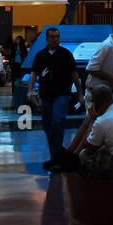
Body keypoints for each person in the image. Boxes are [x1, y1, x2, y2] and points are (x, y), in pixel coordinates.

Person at [63, 21, 113, 161]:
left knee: (90, 124)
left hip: (106, 95)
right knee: (92, 125)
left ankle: (72, 154)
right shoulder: (106, 47)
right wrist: (111, 78)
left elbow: (112, 68)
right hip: (96, 94)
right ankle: (76, 155)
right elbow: (91, 68)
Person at [27, 27, 83, 171]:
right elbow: (34, 74)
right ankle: (56, 156)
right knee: (47, 125)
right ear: (47, 38)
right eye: (52, 36)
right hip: (46, 95)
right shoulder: (40, 56)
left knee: (57, 121)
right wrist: (30, 90)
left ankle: (57, 157)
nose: (55, 39)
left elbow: (74, 75)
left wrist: (80, 93)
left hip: (62, 94)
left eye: (57, 36)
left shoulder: (66, 54)